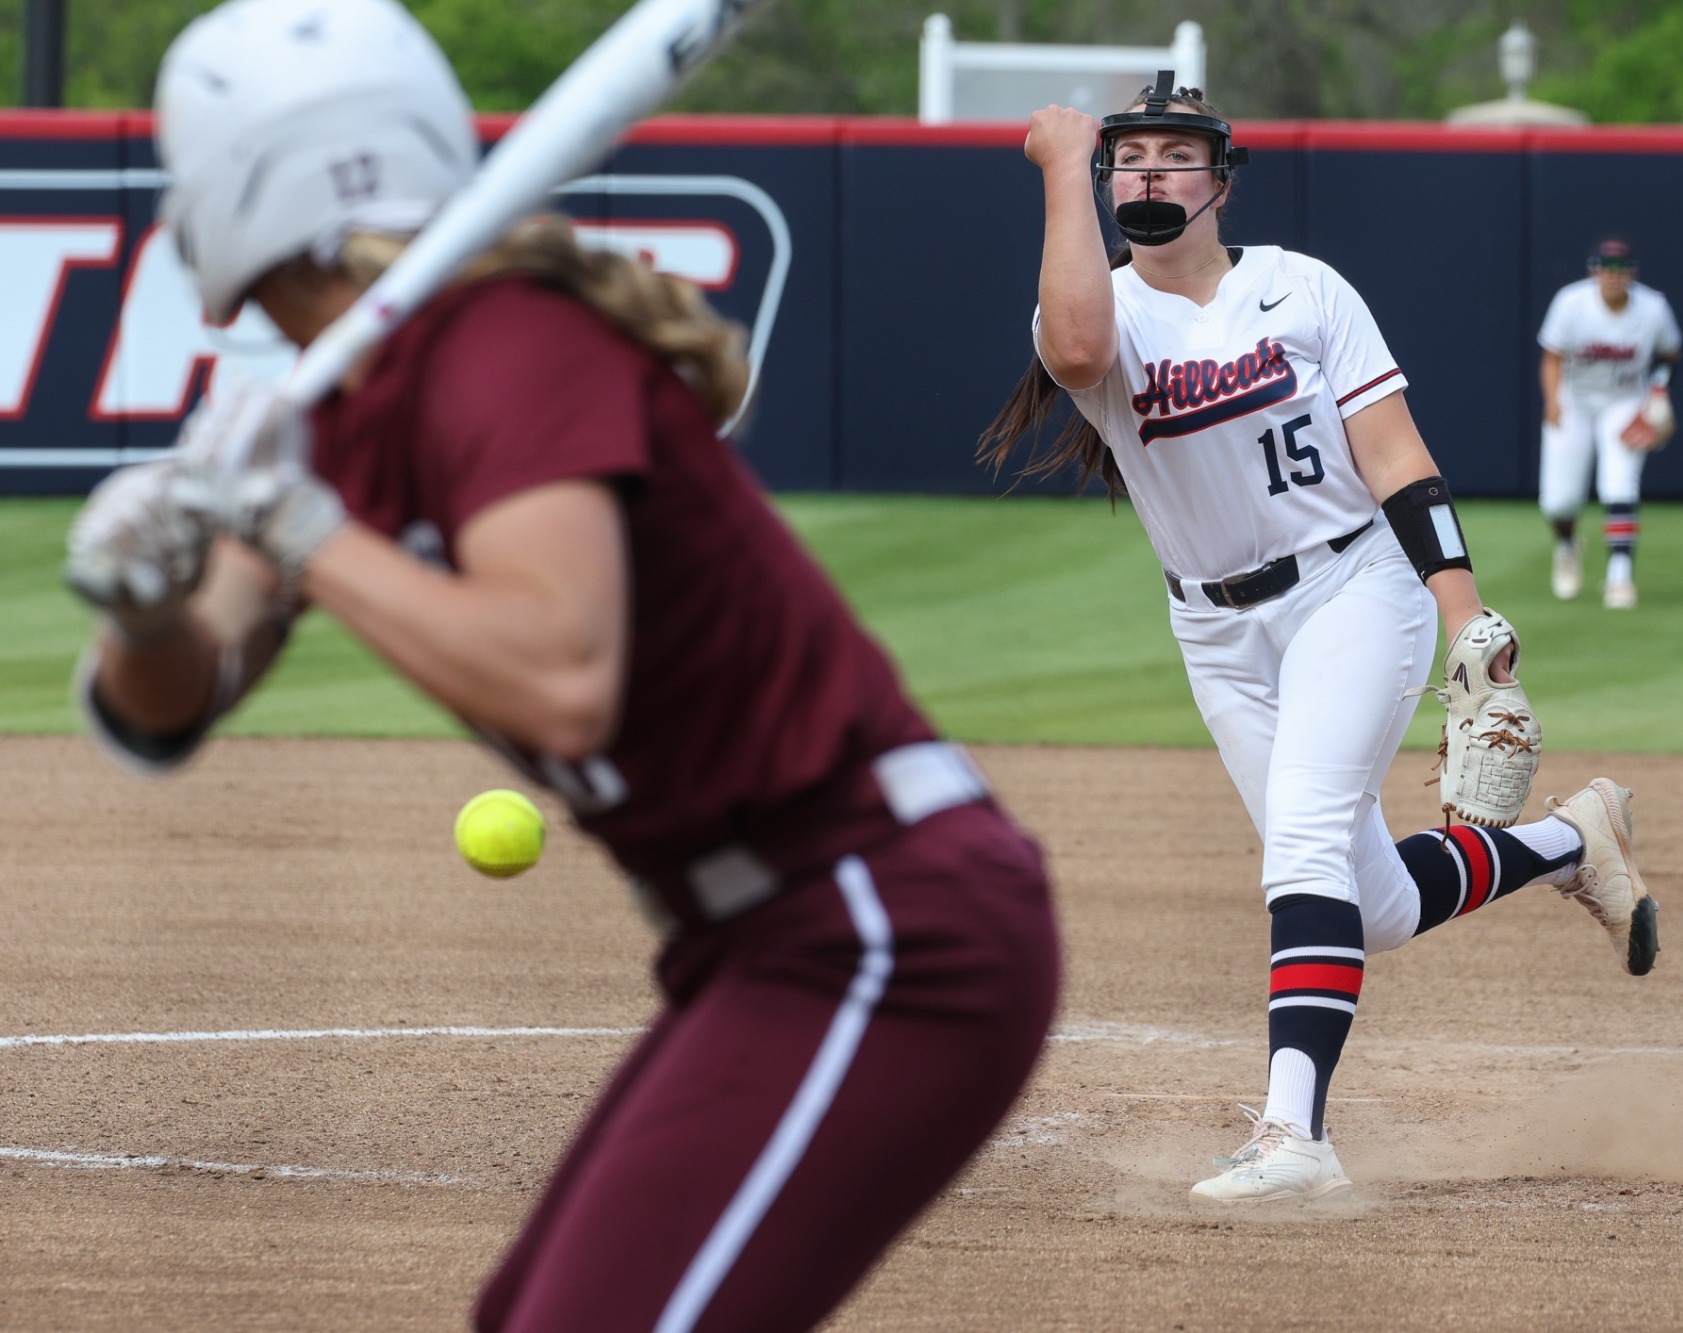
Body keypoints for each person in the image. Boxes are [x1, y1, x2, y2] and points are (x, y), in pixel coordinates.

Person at [62, 1, 1059, 1328]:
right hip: (762, 938)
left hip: (887, 924)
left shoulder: (504, 348)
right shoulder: (349, 410)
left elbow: (559, 675)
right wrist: (143, 612)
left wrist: (298, 525)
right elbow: (169, 712)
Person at [979, 79, 1660, 1204]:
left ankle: (1294, 1135)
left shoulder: (1302, 289)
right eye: (1130, 158)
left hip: (1353, 587)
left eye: (1176, 155)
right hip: (1212, 625)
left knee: (1297, 847)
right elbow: (1081, 354)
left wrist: (1463, 616)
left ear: (1221, 178)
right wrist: (1062, 169)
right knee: (1374, 906)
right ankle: (1570, 843)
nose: (1151, 174)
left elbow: (1393, 457)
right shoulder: (1100, 306)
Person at [1536, 238, 1683, 609]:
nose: (1613, 276)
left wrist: (1658, 394)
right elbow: (1552, 356)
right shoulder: (1571, 302)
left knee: (1619, 483)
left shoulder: (1653, 308)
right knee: (1558, 501)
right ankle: (1568, 543)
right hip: (1575, 399)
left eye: (1621, 269)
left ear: (1632, 272)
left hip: (1624, 400)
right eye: (1606, 268)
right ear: (1594, 270)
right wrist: (1553, 399)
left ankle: (1620, 576)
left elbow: (1671, 355)